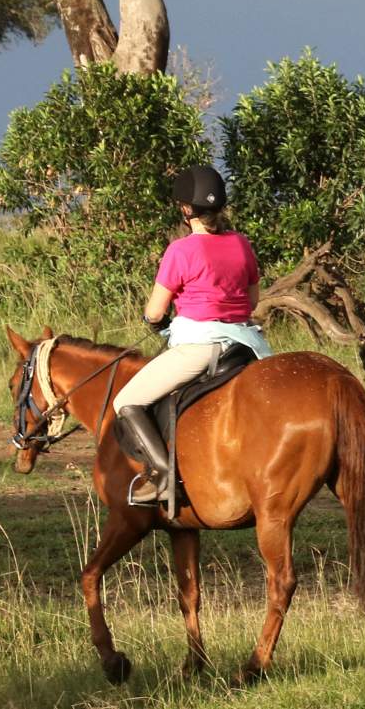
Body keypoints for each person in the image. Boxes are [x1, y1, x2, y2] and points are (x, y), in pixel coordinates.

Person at [112, 164, 273, 505]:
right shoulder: (241, 244)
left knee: (125, 401)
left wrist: (153, 321)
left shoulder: (180, 250)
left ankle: (163, 476)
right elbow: (252, 301)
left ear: (186, 210)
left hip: (200, 347)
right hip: (246, 346)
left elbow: (156, 311)